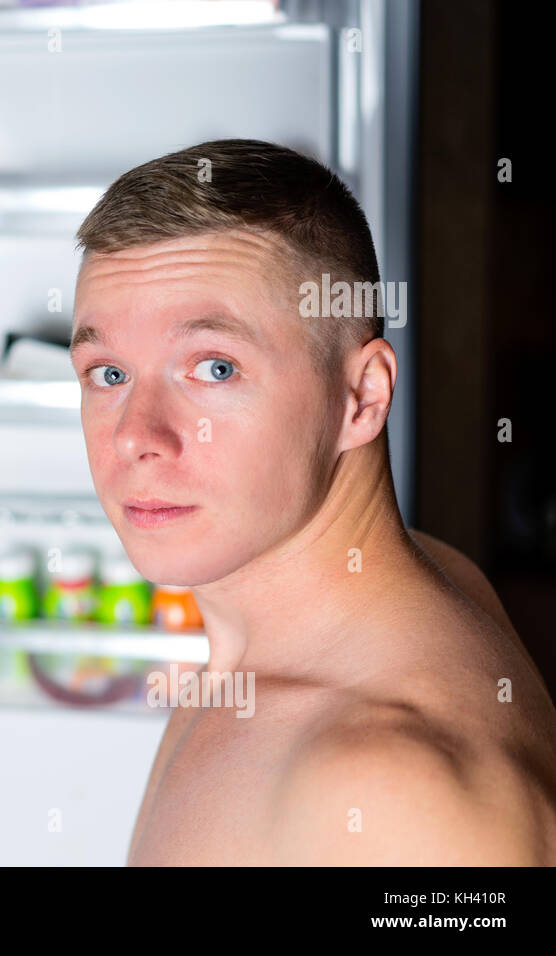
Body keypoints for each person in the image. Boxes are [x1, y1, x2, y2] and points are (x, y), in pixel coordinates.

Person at [70, 139, 556, 865]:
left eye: (214, 367)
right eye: (109, 373)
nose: (138, 437)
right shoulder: (421, 577)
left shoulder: (400, 795)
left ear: (362, 396)